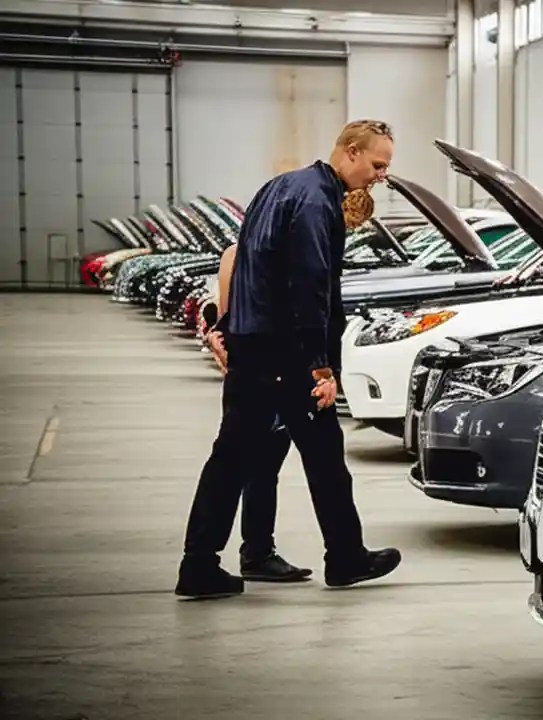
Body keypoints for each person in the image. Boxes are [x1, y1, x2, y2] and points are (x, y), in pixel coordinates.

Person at [176, 120, 401, 599]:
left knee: (230, 459)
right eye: (378, 164)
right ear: (352, 151)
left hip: (253, 348)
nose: (381, 175)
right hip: (289, 355)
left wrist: (227, 327)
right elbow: (311, 286)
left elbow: (244, 259)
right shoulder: (320, 203)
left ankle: (198, 564)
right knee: (324, 461)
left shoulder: (278, 187)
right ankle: (345, 558)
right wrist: (321, 367)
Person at [206, 243, 311, 583]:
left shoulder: (233, 253)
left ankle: (253, 551)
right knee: (253, 466)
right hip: (268, 368)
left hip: (243, 367)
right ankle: (250, 553)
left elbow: (224, 315)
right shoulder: (267, 253)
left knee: (250, 465)